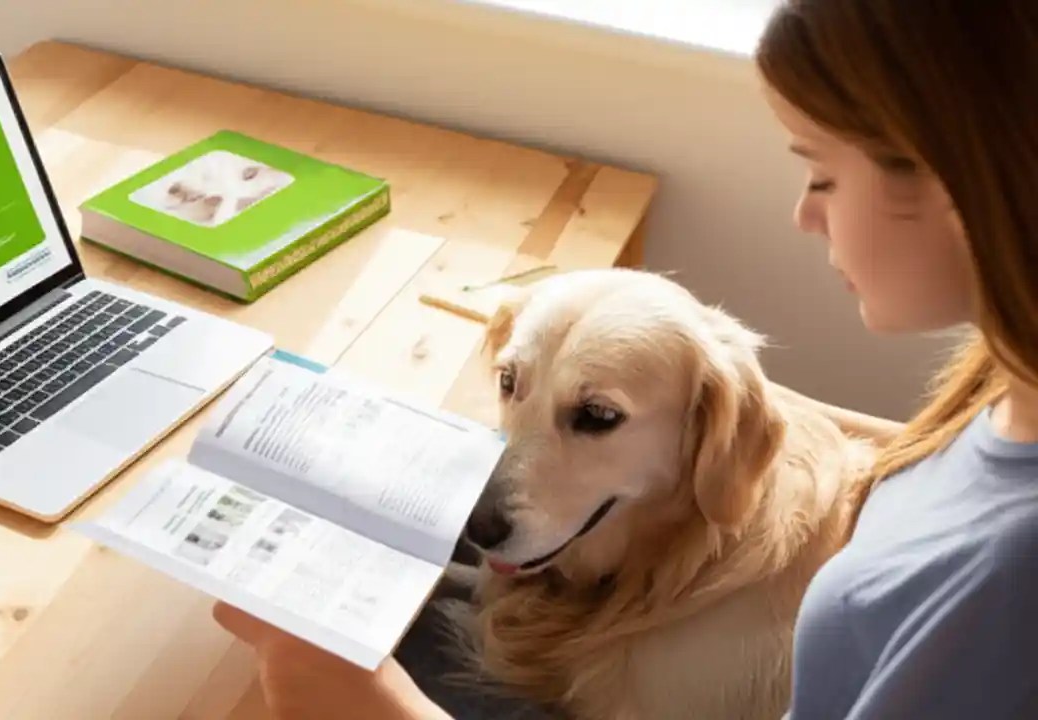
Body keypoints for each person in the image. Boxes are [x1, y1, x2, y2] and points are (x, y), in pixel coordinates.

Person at [213, 0, 1038, 717]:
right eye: (511, 385)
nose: (801, 215)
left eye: (822, 174)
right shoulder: (1007, 385)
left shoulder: (1001, 587)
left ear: (958, 177)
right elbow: (926, 451)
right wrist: (714, 383)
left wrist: (381, 714)